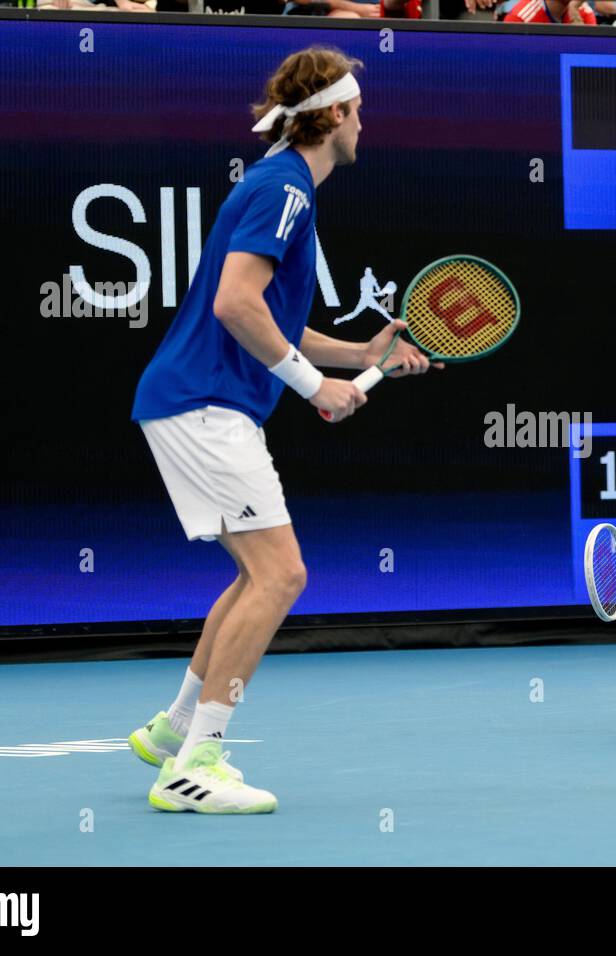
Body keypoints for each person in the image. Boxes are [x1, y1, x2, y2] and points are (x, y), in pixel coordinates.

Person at [127, 46, 437, 813]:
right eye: (358, 110)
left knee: (252, 575)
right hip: (204, 403)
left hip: (196, 400)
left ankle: (173, 731)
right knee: (282, 575)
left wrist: (361, 354)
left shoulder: (278, 181)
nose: (365, 123)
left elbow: (270, 315)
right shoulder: (286, 187)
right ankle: (198, 762)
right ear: (331, 115)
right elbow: (236, 304)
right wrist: (314, 387)